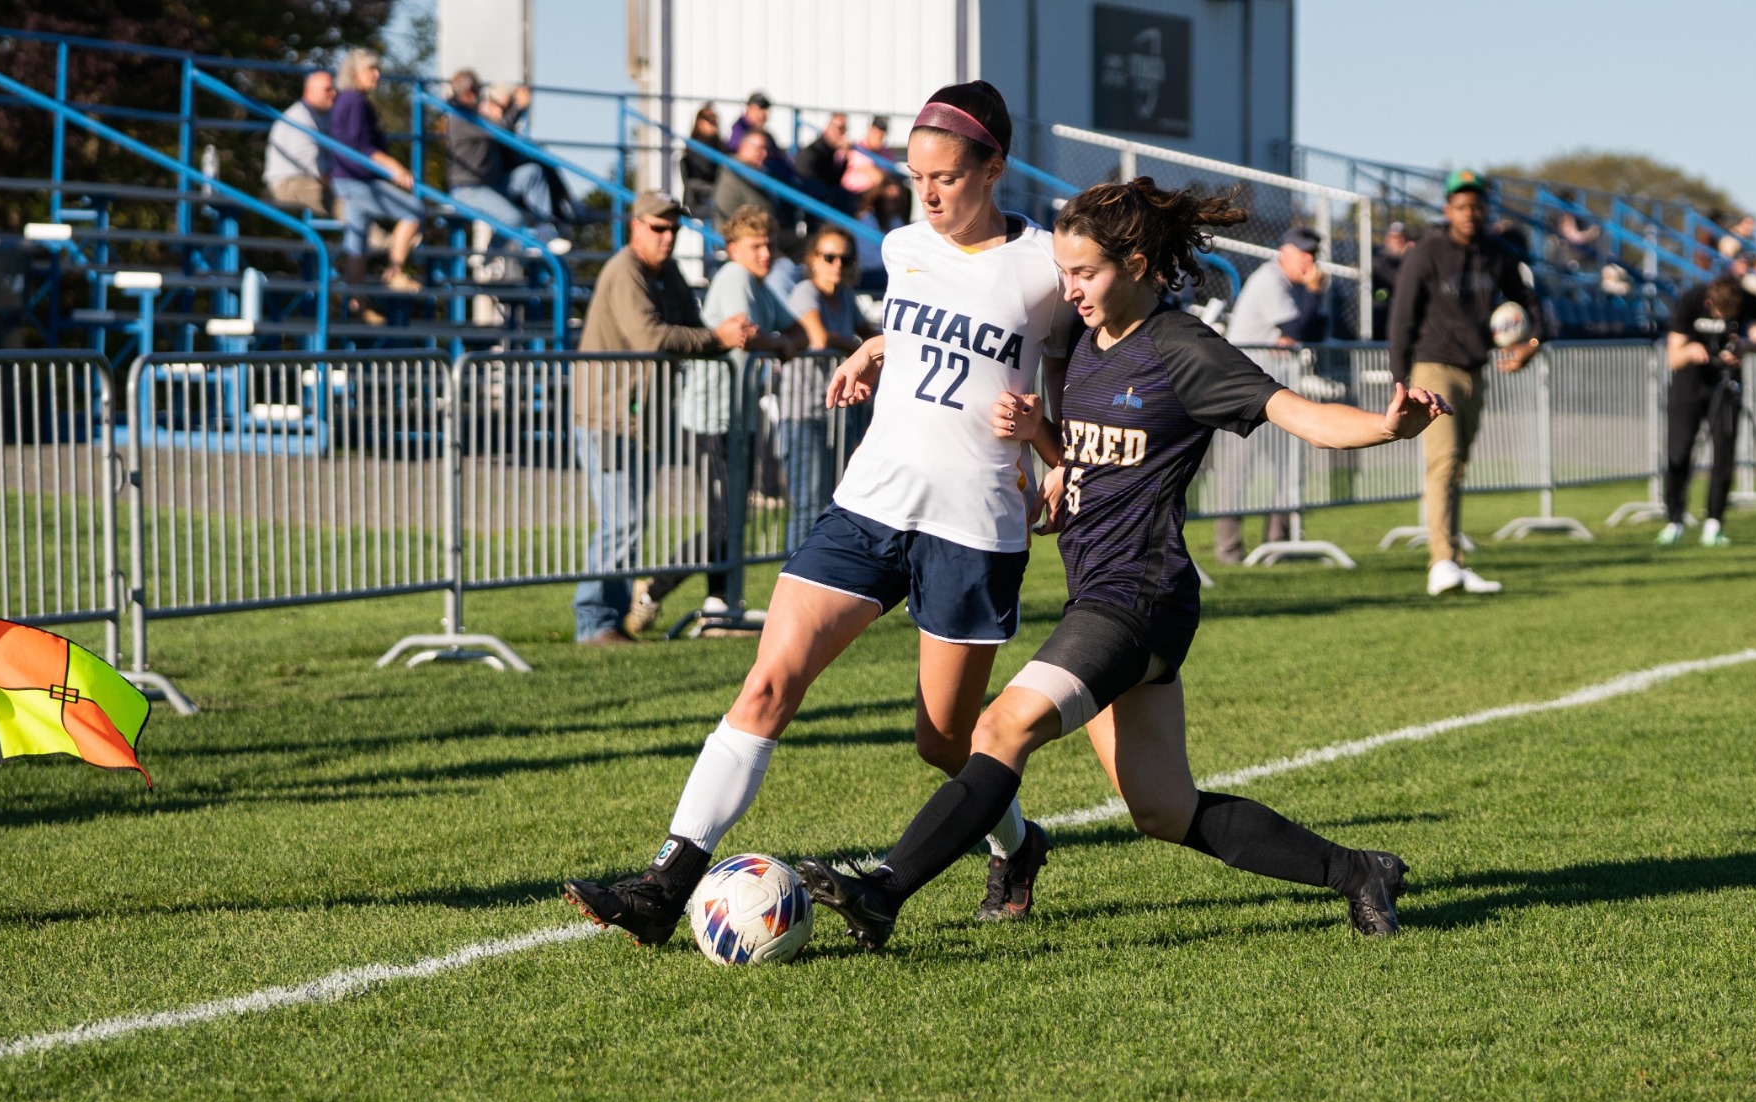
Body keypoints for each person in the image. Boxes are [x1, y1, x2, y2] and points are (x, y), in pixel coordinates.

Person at [795, 178, 1450, 951]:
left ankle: (883, 890)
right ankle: (1358, 871)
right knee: (1163, 809)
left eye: (1085, 273)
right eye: (1065, 273)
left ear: (1138, 263)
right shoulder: (1079, 341)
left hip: (1140, 597)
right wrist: (1047, 448)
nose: (1068, 289)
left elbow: (1295, 414)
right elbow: (1075, 447)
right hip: (1100, 594)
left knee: (1002, 726)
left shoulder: (1183, 347)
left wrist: (1385, 429)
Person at [563, 81, 1076, 950]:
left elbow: (1082, 362)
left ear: (995, 166)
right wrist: (877, 349)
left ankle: (1018, 846)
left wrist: (1055, 454)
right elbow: (923, 327)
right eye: (917, 176)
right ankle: (666, 881)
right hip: (869, 504)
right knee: (767, 683)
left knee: (945, 743)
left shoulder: (1049, 265)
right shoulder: (905, 242)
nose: (929, 194)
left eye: (948, 176)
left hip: (972, 524)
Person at [569, 192, 754, 646]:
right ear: (635, 227)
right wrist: (717, 336)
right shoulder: (624, 271)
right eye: (658, 227)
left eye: (674, 229)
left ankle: (608, 618)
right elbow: (650, 337)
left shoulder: (667, 272)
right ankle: (594, 622)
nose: (667, 237)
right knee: (622, 522)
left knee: (628, 523)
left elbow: (692, 325)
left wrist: (727, 336)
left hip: (643, 419)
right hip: (606, 418)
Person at [1388, 169, 1544, 597]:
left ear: (1485, 209)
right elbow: (1401, 319)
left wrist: (1532, 342)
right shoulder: (1426, 253)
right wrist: (1400, 382)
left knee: (1457, 468)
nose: (1469, 213)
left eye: (1476, 206)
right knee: (1443, 462)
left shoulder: (1498, 252)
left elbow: (1530, 302)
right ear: (1448, 209)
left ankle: (1454, 561)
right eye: (1461, 206)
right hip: (1433, 368)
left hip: (1476, 369)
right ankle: (1440, 563)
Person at [1213, 226, 1327, 563]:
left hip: (1272, 394)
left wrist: (1311, 301)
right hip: (1242, 392)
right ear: (1284, 252)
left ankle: (1281, 545)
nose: (1310, 261)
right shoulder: (1271, 279)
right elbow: (1297, 329)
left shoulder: (1295, 286)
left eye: (1313, 254)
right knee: (1238, 471)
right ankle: (1229, 552)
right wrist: (1314, 294)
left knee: (1288, 468)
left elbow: (1315, 331)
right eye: (1303, 253)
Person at [778, 226, 877, 545]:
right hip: (803, 415)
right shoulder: (806, 291)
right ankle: (793, 582)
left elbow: (871, 335)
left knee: (833, 505)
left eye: (845, 259)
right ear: (813, 259)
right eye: (829, 257)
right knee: (807, 507)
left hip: (837, 415)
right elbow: (819, 339)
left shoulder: (845, 296)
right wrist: (857, 346)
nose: (837, 264)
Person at [1656, 274, 1756, 549]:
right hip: (1689, 387)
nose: (1723, 317)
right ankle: (1674, 521)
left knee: (1724, 454)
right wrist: (1692, 350)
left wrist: (1746, 346)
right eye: (1720, 312)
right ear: (1709, 302)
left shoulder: (1748, 302)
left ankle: (1714, 523)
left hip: (1726, 386)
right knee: (1678, 453)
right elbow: (1673, 356)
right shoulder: (1690, 301)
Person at [328, 48, 423, 296]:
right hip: (355, 180)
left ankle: (358, 302)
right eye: (370, 69)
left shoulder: (351, 100)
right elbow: (360, 146)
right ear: (354, 73)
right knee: (413, 210)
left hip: (350, 179)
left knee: (356, 242)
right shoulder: (354, 100)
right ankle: (395, 272)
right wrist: (394, 167)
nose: (377, 75)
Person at [443, 71, 559, 251]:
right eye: (474, 91)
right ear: (466, 93)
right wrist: (519, 107)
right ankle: (489, 258)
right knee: (514, 218)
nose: (478, 96)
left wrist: (510, 103)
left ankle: (544, 231)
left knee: (532, 172)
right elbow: (499, 130)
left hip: (492, 184)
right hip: (469, 190)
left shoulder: (472, 114)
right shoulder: (461, 118)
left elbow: (498, 125)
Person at [263, 69, 336, 215]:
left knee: (357, 198)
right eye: (327, 89)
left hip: (307, 180)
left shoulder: (323, 115)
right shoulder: (299, 118)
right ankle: (382, 239)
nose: (333, 93)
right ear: (310, 92)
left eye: (334, 89)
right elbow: (313, 166)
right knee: (346, 203)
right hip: (289, 183)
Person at [713, 130, 787, 234]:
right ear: (744, 147)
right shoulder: (737, 172)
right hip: (745, 234)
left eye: (766, 149)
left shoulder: (753, 172)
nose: (764, 154)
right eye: (760, 148)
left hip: (756, 231)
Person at [727, 91, 797, 184]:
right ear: (748, 109)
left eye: (766, 109)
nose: (763, 114)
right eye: (760, 108)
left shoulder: (765, 134)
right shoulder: (740, 130)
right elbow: (741, 155)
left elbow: (779, 157)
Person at [795, 111, 855, 213]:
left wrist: (845, 157)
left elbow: (835, 180)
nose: (842, 134)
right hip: (812, 197)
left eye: (844, 129)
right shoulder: (814, 151)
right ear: (828, 127)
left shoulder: (829, 151)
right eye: (839, 128)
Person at [680, 103, 726, 217]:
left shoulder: (719, 146)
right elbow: (700, 177)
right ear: (699, 123)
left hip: (715, 196)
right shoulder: (695, 148)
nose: (713, 122)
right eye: (708, 119)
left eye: (714, 119)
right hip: (701, 199)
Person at [840, 116, 893, 198]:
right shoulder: (858, 149)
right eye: (876, 132)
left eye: (881, 135)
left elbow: (892, 173)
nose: (878, 137)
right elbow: (876, 177)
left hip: (874, 197)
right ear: (870, 130)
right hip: (851, 194)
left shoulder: (885, 152)